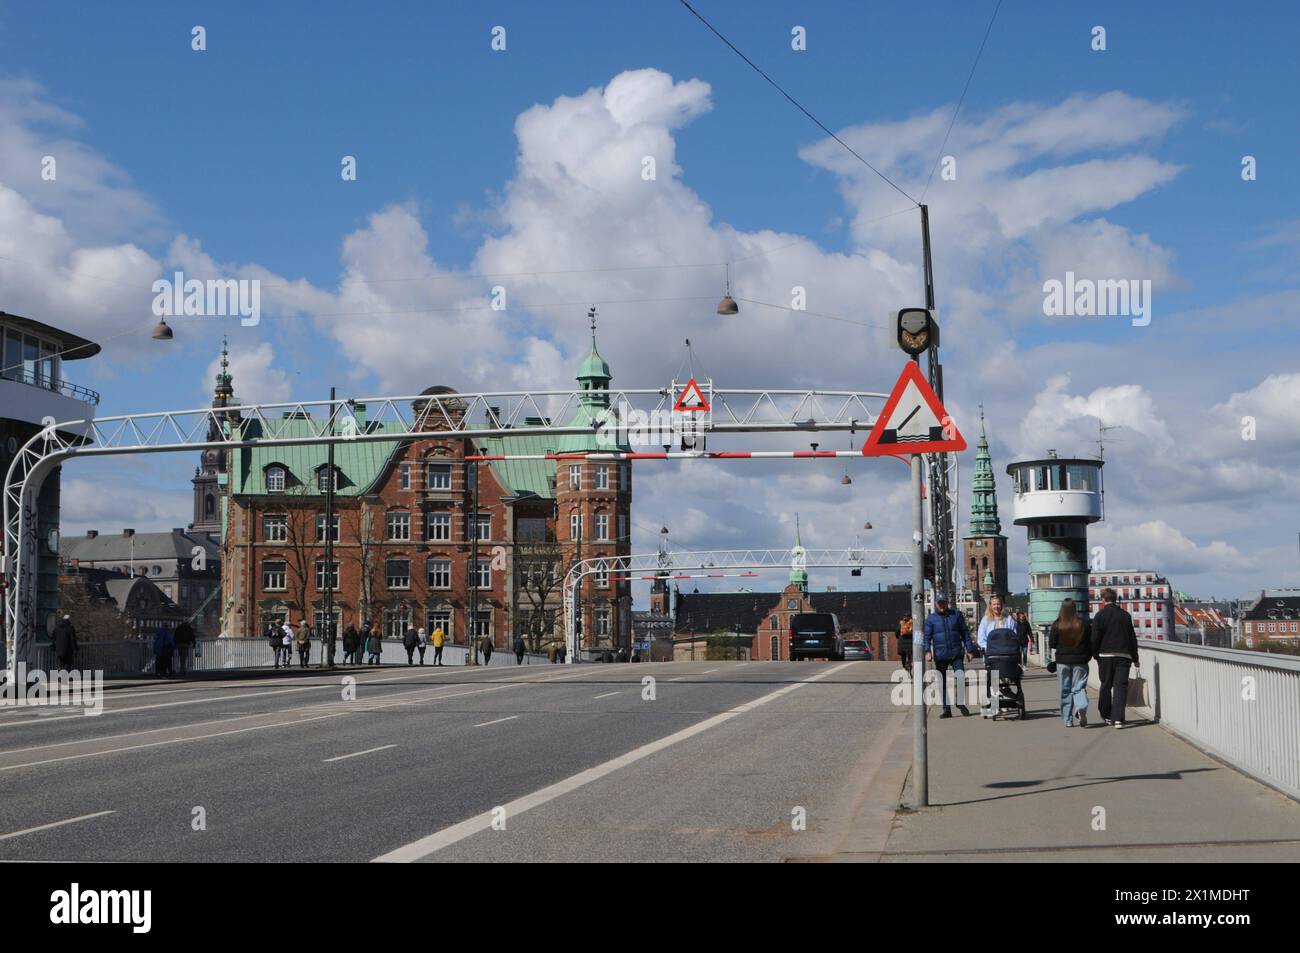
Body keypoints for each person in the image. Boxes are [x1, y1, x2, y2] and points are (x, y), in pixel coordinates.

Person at [1091, 588, 1140, 728]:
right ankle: (1118, 718)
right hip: (1124, 656)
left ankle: (1106, 715)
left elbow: (1095, 638)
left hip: (1105, 656)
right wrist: (1135, 657)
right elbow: (1132, 638)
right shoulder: (1125, 615)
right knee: (1120, 687)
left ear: (1103, 600)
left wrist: (1095, 655)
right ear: (1116, 599)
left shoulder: (1099, 616)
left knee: (1106, 685)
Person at [922, 595, 975, 718]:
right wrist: (927, 651)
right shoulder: (931, 619)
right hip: (941, 655)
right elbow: (927, 638)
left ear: (947, 603)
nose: (942, 605)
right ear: (936, 604)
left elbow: (965, 633)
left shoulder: (956, 615)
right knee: (942, 682)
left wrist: (969, 650)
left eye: (944, 603)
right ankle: (946, 709)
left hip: (956, 653)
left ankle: (959, 702)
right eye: (939, 603)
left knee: (961, 677)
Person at [1049, 598, 1092, 727]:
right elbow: (1091, 642)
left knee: (1065, 690)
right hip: (1080, 661)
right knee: (1079, 688)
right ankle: (1081, 707)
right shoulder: (1083, 623)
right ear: (1075, 609)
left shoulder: (1057, 624)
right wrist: (1087, 655)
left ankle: (1067, 720)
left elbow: (1052, 643)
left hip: (1063, 661)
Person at [976, 594, 1019, 699]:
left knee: (1007, 674)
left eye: (998, 604)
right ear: (990, 606)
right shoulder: (985, 620)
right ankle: (997, 701)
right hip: (992, 654)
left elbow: (1014, 635)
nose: (996, 606)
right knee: (994, 677)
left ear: (1002, 605)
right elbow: (981, 639)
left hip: (1007, 654)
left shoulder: (1009, 619)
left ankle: (1005, 694)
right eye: (994, 604)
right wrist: (988, 648)